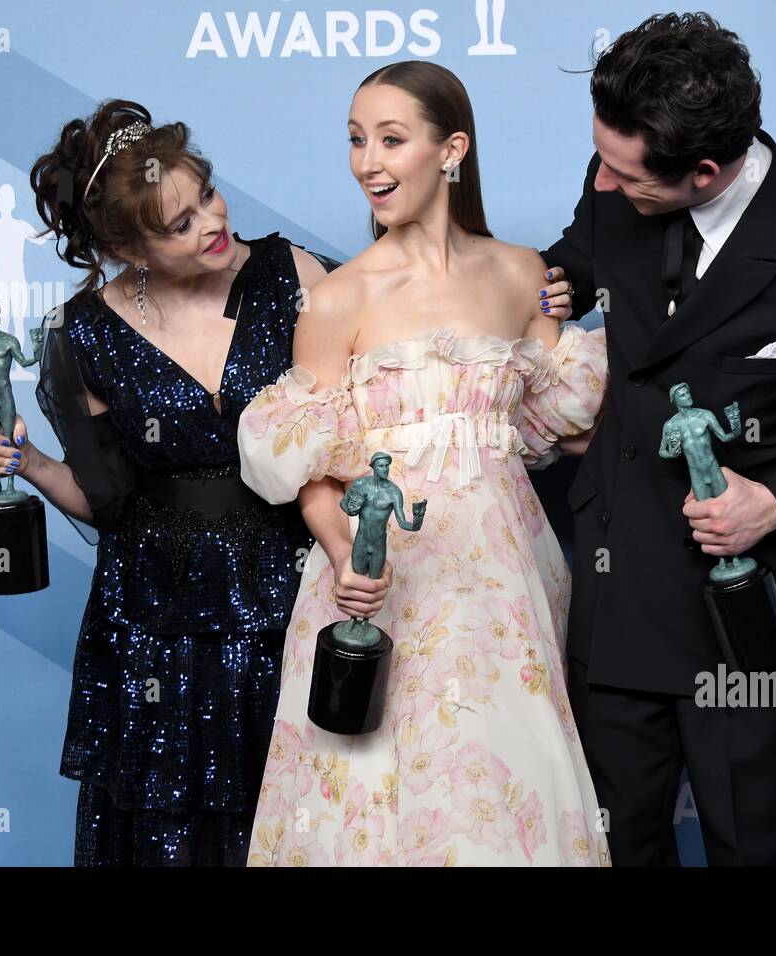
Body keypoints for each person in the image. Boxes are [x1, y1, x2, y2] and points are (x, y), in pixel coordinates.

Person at [539, 13, 776, 866]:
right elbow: (575, 263)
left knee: (750, 847)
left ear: (705, 170)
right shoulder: (617, 181)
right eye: (599, 158)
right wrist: (526, 293)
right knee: (614, 843)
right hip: (618, 577)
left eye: (623, 172)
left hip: (749, 607)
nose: (604, 185)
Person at [236, 61, 611, 866]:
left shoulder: (521, 274)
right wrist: (342, 554)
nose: (367, 161)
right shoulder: (340, 298)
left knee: (502, 801)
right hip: (379, 582)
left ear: (452, 150)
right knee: (374, 804)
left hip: (506, 586)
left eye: (391, 139)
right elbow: (309, 468)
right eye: (355, 140)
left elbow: (571, 423)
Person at [0, 99, 339, 865]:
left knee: (306, 807)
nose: (211, 220)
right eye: (179, 223)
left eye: (207, 193)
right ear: (128, 248)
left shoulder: (292, 273)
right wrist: (28, 463)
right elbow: (107, 506)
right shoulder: (85, 335)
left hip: (291, 592)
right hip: (157, 623)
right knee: (175, 829)